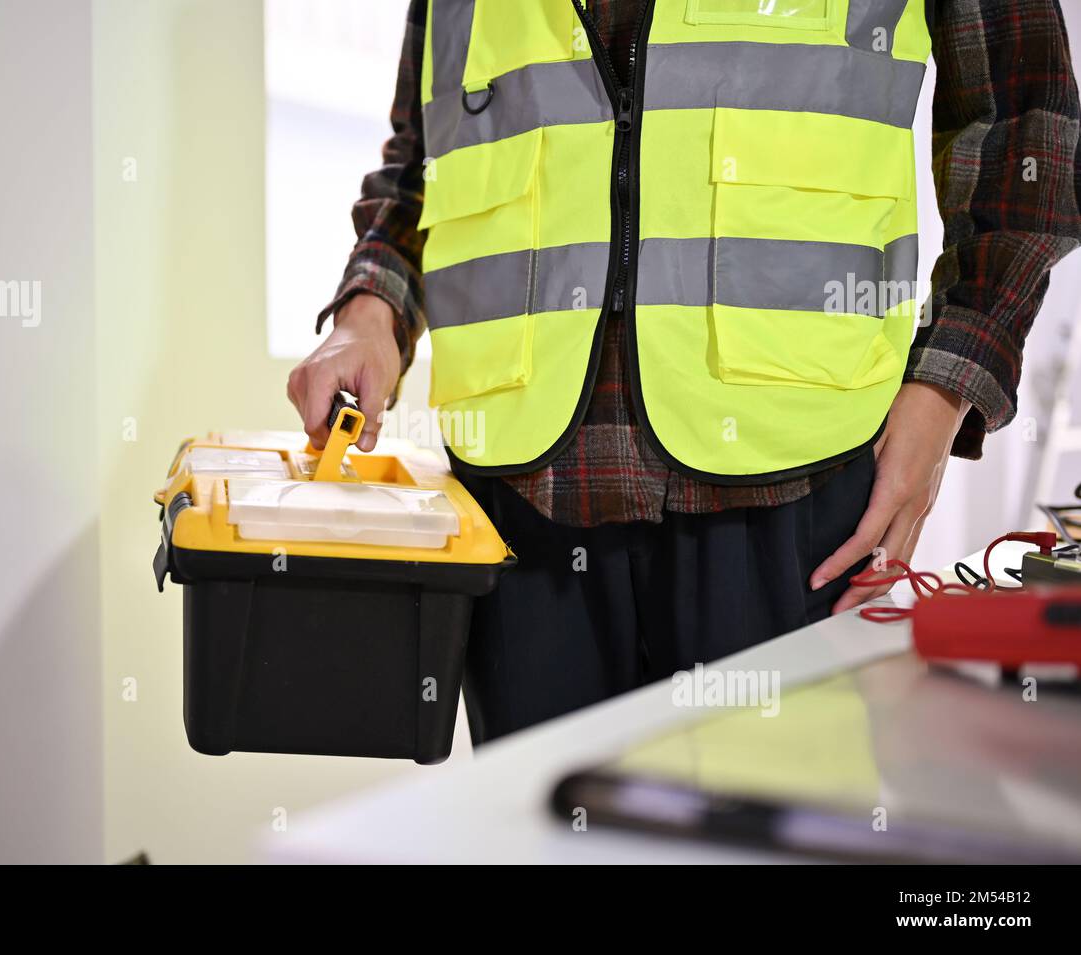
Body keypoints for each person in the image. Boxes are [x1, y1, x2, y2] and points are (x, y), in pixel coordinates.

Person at [287, 0, 1081, 742]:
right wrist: (371, 309)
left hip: (788, 497)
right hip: (518, 510)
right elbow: (427, 155)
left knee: (779, 841)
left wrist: (950, 381)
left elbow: (1027, 121)